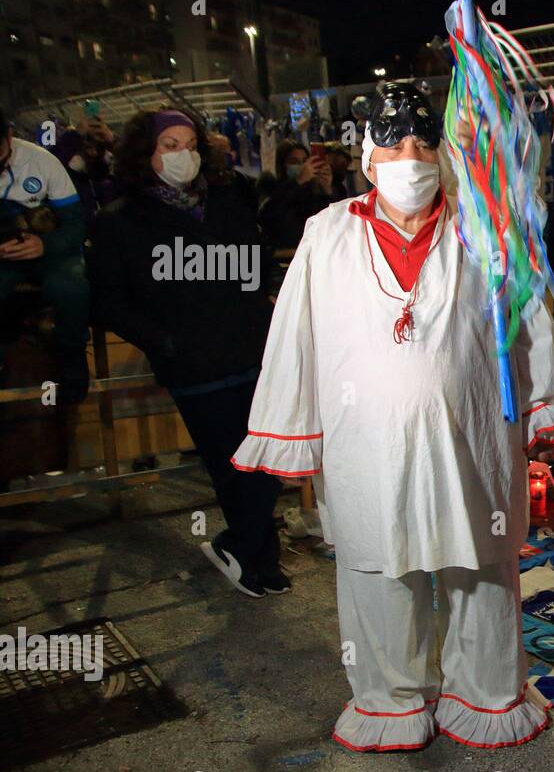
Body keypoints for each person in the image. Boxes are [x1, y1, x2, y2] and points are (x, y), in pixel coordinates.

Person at [230, 82, 554, 752]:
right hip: (365, 446)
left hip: (473, 438)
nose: (411, 155)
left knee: (482, 566)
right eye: (394, 142)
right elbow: (295, 337)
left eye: (424, 142)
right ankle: (389, 699)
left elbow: (526, 319)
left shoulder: (484, 230)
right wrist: (289, 427)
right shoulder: (327, 233)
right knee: (377, 568)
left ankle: (485, 693)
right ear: (369, 158)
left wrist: (547, 397)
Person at [87, 107, 286, 597]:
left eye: (189, 143)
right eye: (169, 146)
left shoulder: (226, 197)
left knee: (269, 455)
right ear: (146, 154)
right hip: (194, 363)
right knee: (230, 463)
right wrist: (163, 338)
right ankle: (257, 555)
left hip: (249, 348)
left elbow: (255, 265)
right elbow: (108, 298)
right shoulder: (122, 219)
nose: (183, 155)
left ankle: (245, 547)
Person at [0, 105, 90, 402]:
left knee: (70, 285)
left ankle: (73, 368)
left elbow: (77, 224)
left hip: (49, 249)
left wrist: (45, 245)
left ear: (9, 136)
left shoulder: (40, 161)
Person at [257, 139, 331, 250]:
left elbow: (329, 221)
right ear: (282, 164)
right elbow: (269, 212)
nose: (302, 166)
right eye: (294, 162)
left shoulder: (311, 190)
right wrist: (298, 180)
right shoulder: (272, 187)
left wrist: (327, 189)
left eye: (304, 161)